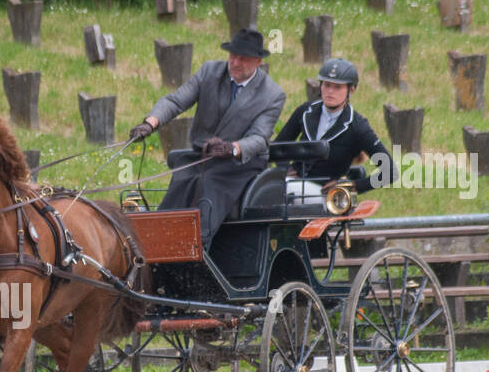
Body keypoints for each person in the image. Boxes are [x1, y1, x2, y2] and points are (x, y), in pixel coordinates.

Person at [128, 28, 286, 246]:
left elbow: (259, 138)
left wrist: (232, 148)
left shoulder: (272, 94)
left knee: (208, 190)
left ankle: (197, 248)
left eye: (243, 58)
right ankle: (157, 245)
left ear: (258, 61)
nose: (236, 62)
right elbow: (176, 101)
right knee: (181, 184)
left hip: (240, 165)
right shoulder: (209, 72)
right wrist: (150, 123)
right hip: (202, 156)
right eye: (233, 56)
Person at [274, 57, 396, 193]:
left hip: (327, 196)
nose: (330, 91)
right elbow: (278, 148)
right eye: (326, 85)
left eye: (337, 87)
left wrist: (352, 186)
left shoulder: (358, 126)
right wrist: (284, 169)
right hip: (290, 186)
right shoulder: (304, 111)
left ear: (351, 90)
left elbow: (390, 171)